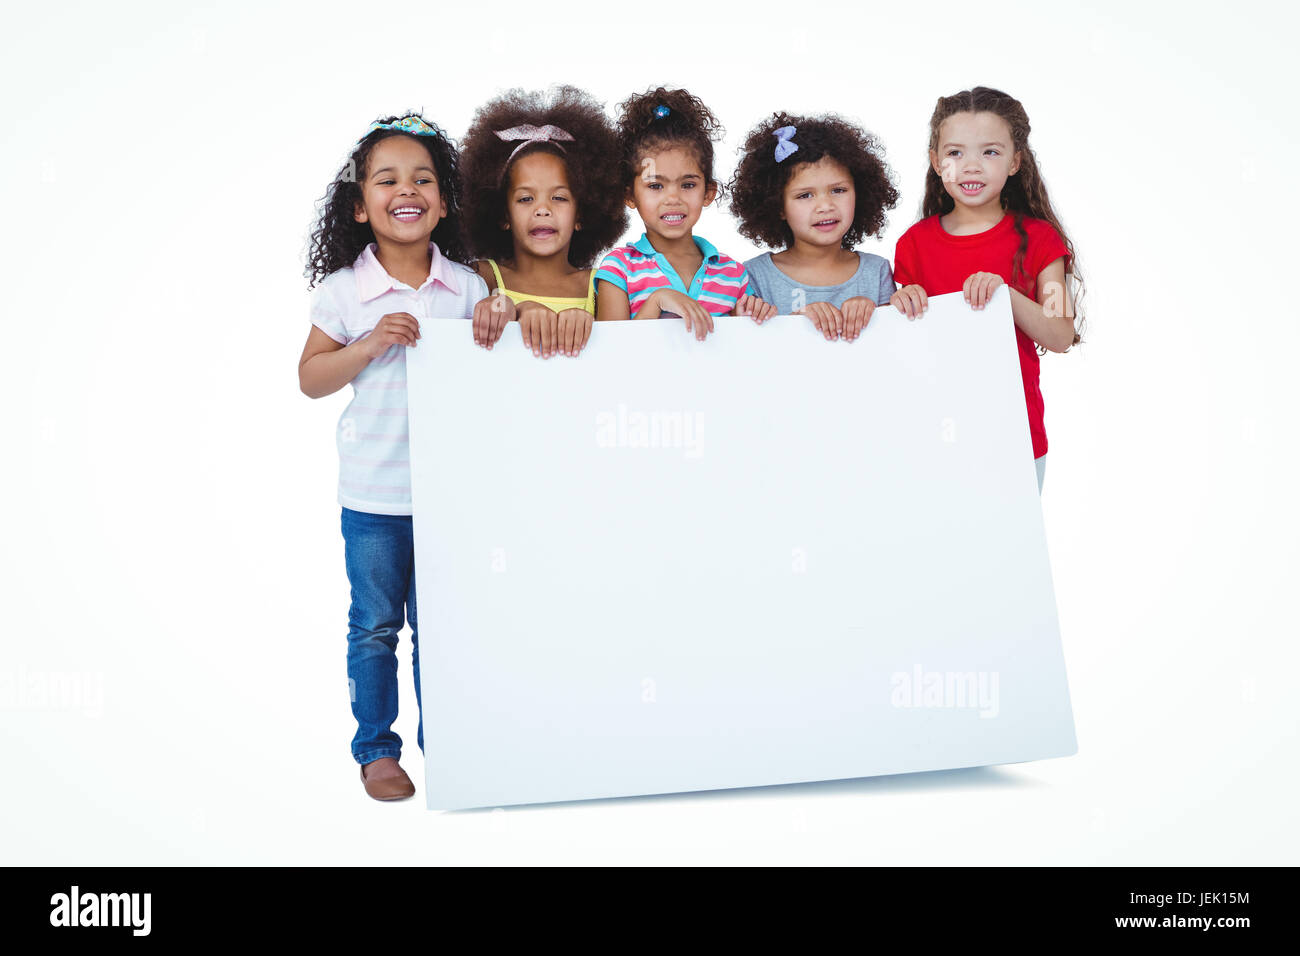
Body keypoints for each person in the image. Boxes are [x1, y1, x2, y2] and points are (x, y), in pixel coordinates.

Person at [299, 113, 488, 801]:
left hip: (450, 497)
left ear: (443, 201)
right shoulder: (345, 291)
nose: (406, 190)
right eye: (387, 180)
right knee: (376, 626)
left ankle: (453, 739)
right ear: (359, 204)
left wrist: (497, 321)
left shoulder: (467, 288)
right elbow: (310, 378)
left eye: (423, 179)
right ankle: (377, 748)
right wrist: (368, 344)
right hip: (375, 499)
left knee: (445, 628)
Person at [890, 87, 1086, 494]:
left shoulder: (1040, 240)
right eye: (955, 153)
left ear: (1016, 161)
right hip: (931, 433)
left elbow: (1060, 334)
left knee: (1010, 556)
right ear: (934, 160)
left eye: (990, 152)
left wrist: (1007, 296)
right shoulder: (913, 245)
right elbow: (907, 344)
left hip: (1015, 435)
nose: (971, 167)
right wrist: (898, 302)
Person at [460, 86, 628, 358]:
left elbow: (619, 355)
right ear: (503, 215)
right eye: (526, 199)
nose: (542, 209)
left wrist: (591, 325)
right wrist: (514, 308)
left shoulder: (602, 286)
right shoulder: (484, 276)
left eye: (559, 198)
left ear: (581, 215)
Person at [595, 87, 776, 337]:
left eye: (688, 185)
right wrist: (657, 301)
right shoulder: (618, 269)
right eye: (655, 186)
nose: (673, 198)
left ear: (708, 193)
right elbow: (610, 356)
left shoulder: (734, 275)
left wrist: (753, 318)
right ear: (629, 195)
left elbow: (746, 349)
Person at [730, 112, 899, 342]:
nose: (825, 206)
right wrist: (797, 322)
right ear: (778, 206)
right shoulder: (754, 276)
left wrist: (875, 314)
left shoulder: (876, 272)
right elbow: (747, 351)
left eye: (838, 190)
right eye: (805, 195)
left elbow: (894, 348)